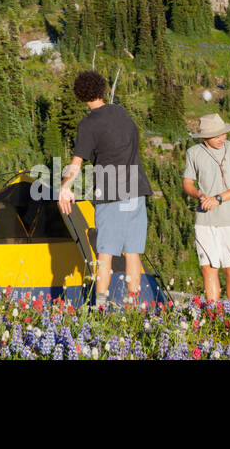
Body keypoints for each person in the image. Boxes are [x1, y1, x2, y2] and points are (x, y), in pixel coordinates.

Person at [57, 69, 153, 307]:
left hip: (110, 194)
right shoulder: (121, 112)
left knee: (106, 253)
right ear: (102, 89)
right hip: (136, 189)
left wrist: (64, 188)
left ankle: (100, 305)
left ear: (81, 96)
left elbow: (76, 163)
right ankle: (134, 306)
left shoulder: (88, 124)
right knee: (132, 252)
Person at [182, 113, 230, 301]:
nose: (222, 138)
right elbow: (187, 183)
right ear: (205, 137)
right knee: (208, 268)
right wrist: (199, 195)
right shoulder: (194, 153)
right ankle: (215, 317)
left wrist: (219, 198)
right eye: (216, 136)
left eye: (223, 134)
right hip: (205, 220)